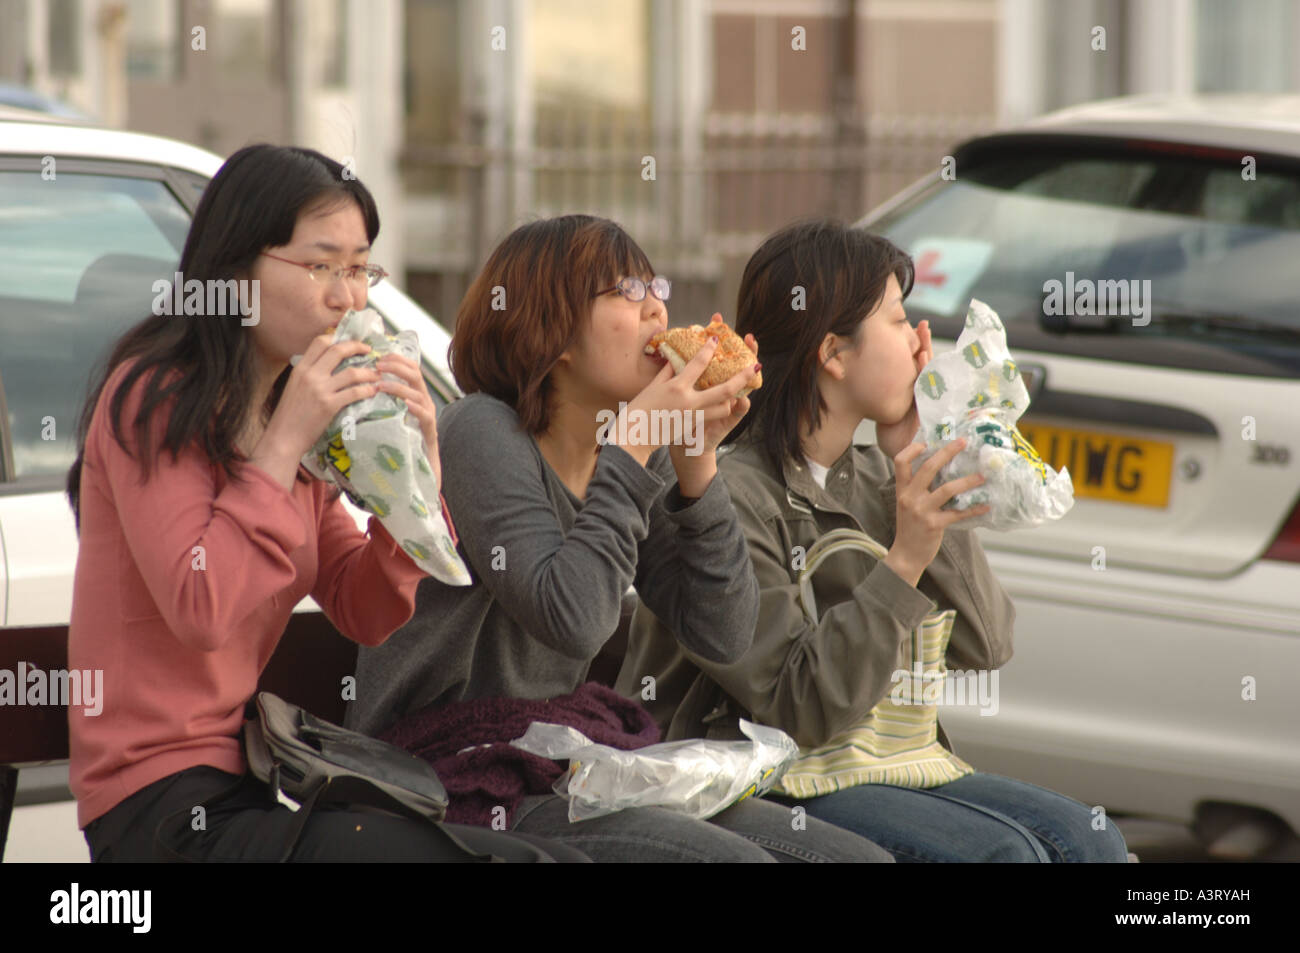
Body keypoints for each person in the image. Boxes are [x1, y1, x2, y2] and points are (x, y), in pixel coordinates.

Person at [65, 144, 585, 862]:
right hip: (154, 808)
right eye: (322, 266)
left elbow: (363, 608)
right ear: (239, 266)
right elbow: (201, 606)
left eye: (361, 267)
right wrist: (283, 444)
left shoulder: (302, 417)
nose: (351, 297)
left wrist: (418, 474)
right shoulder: (155, 399)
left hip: (251, 784)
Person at [346, 214, 893, 862]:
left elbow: (723, 630)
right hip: (441, 769)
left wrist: (697, 468)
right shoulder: (480, 433)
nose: (656, 307)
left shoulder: (636, 450)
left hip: (551, 759)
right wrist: (634, 445)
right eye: (626, 292)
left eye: (655, 287)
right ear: (552, 328)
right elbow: (573, 617)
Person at [618, 220, 1130, 862]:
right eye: (898, 318)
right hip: (759, 771)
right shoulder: (733, 491)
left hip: (885, 760)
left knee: (1091, 838)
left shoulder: (875, 476)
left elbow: (987, 644)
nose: (921, 343)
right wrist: (906, 557)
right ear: (833, 353)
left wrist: (920, 465)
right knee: (1003, 856)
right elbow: (794, 707)